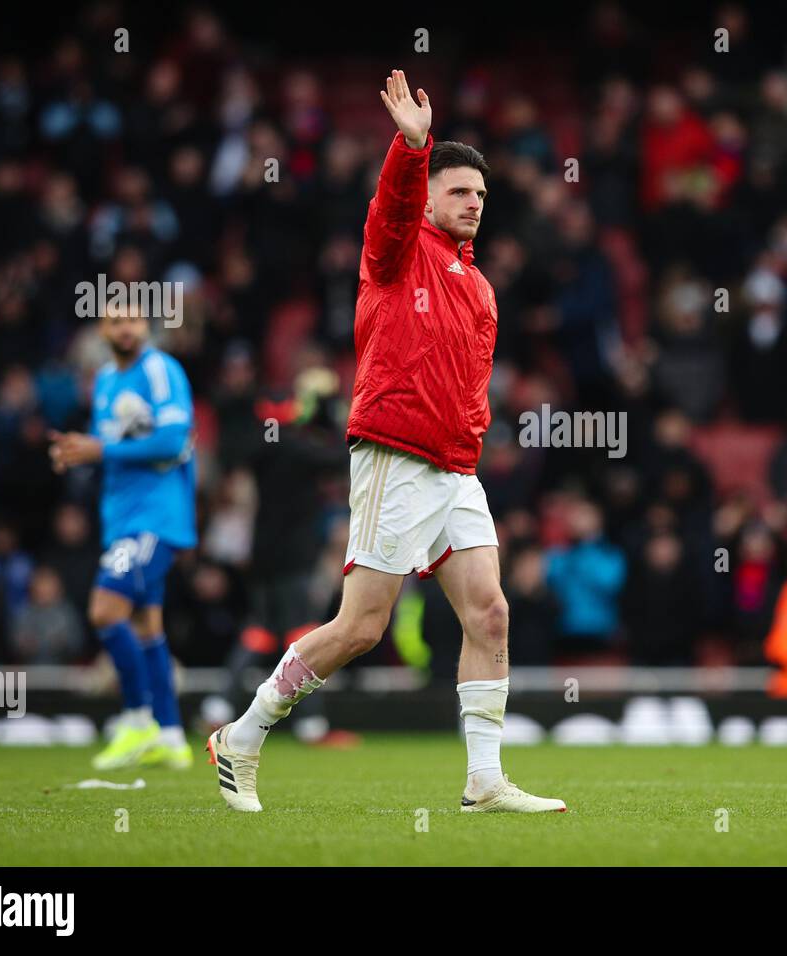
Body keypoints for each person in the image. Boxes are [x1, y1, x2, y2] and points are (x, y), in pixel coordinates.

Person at [207, 70, 565, 813]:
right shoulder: (394, 253)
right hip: (395, 455)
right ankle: (241, 736)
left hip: (455, 469)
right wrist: (411, 146)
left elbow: (467, 388)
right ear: (431, 195)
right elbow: (392, 210)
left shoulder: (480, 287)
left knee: (490, 613)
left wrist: (470, 448)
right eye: (460, 191)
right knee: (362, 627)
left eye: (481, 196)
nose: (473, 204)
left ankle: (484, 779)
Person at [48, 306, 197, 769]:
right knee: (145, 624)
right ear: (102, 330)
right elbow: (105, 443)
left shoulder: (160, 371)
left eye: (134, 319)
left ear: (146, 327)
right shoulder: (107, 381)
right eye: (115, 320)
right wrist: (78, 451)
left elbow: (174, 442)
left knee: (105, 610)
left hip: (155, 518)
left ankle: (137, 719)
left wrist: (101, 448)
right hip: (122, 519)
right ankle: (171, 735)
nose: (126, 328)